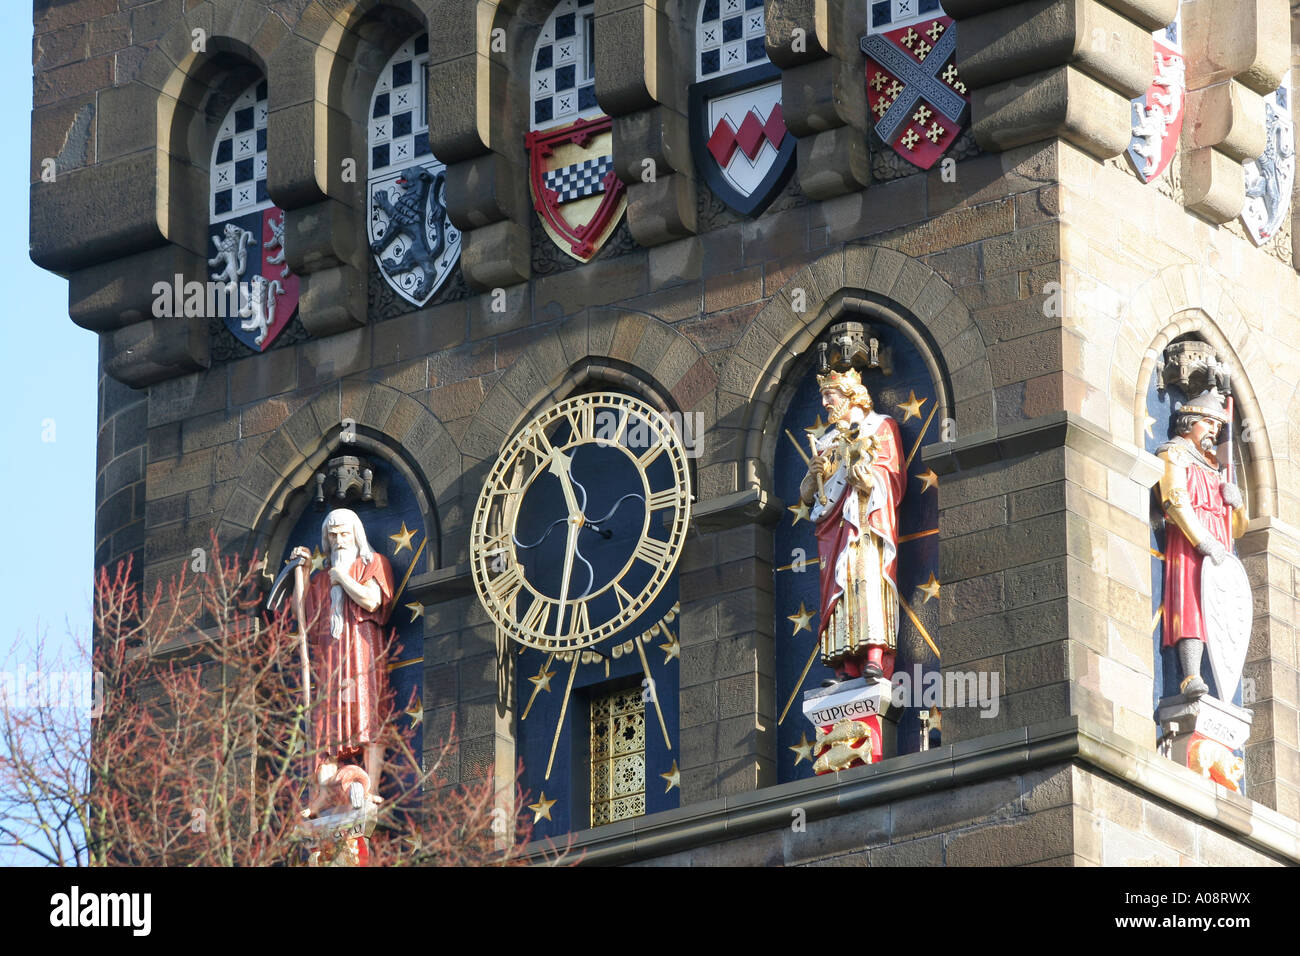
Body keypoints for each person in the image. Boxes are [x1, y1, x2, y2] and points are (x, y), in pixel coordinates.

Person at [800, 368, 905, 682]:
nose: (825, 402)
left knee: (866, 583)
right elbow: (811, 497)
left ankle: (874, 654)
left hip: (865, 523)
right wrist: (811, 476)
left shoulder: (879, 427)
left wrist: (866, 475)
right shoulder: (827, 442)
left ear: (849, 394)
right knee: (837, 591)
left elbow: (891, 474)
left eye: (830, 395)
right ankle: (845, 664)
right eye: (823, 396)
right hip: (833, 532)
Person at [292, 508, 395, 816]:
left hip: (362, 652)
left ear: (356, 534)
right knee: (326, 729)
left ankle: (372, 788)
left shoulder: (373, 563)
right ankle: (323, 796)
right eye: (332, 535)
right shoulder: (321, 579)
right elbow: (304, 620)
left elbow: (373, 601)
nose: (338, 540)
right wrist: (302, 573)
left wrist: (343, 579)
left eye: (344, 534)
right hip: (331, 660)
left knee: (368, 718)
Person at [1157, 390, 1248, 698]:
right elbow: (1175, 502)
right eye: (1208, 423)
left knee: (1218, 610)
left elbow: (1237, 530)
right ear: (1189, 423)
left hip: (1219, 546)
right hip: (1190, 542)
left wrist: (1237, 506)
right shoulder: (1174, 453)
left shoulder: (1217, 468)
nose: (1213, 430)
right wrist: (1201, 539)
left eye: (1217, 426)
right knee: (1191, 605)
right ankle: (1190, 675)